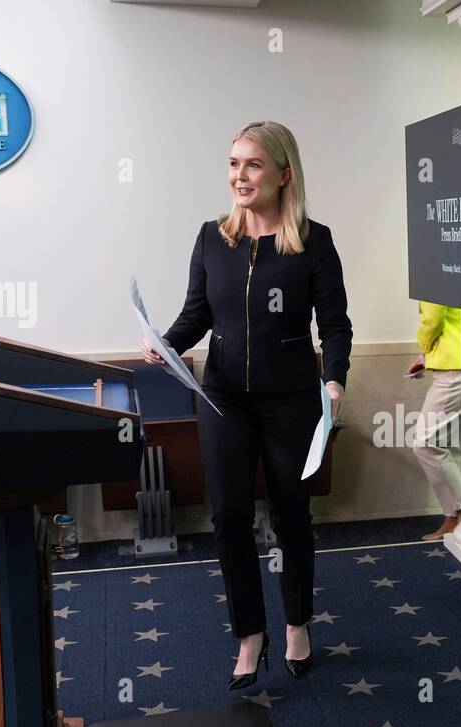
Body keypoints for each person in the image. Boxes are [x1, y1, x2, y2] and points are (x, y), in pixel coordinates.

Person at [142, 120, 352, 690]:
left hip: (292, 404)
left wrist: (334, 381)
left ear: (284, 174)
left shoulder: (314, 240)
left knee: (291, 519)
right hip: (224, 400)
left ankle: (298, 626)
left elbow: (334, 325)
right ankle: (248, 635)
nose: (239, 175)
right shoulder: (214, 238)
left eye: (253, 164)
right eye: (234, 163)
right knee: (228, 518)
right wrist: (166, 342)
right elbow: (196, 315)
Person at [407, 301, 461, 541]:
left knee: (425, 443)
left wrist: (424, 348)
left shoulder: (434, 267)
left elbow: (432, 317)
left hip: (452, 367)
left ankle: (458, 514)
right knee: (452, 446)